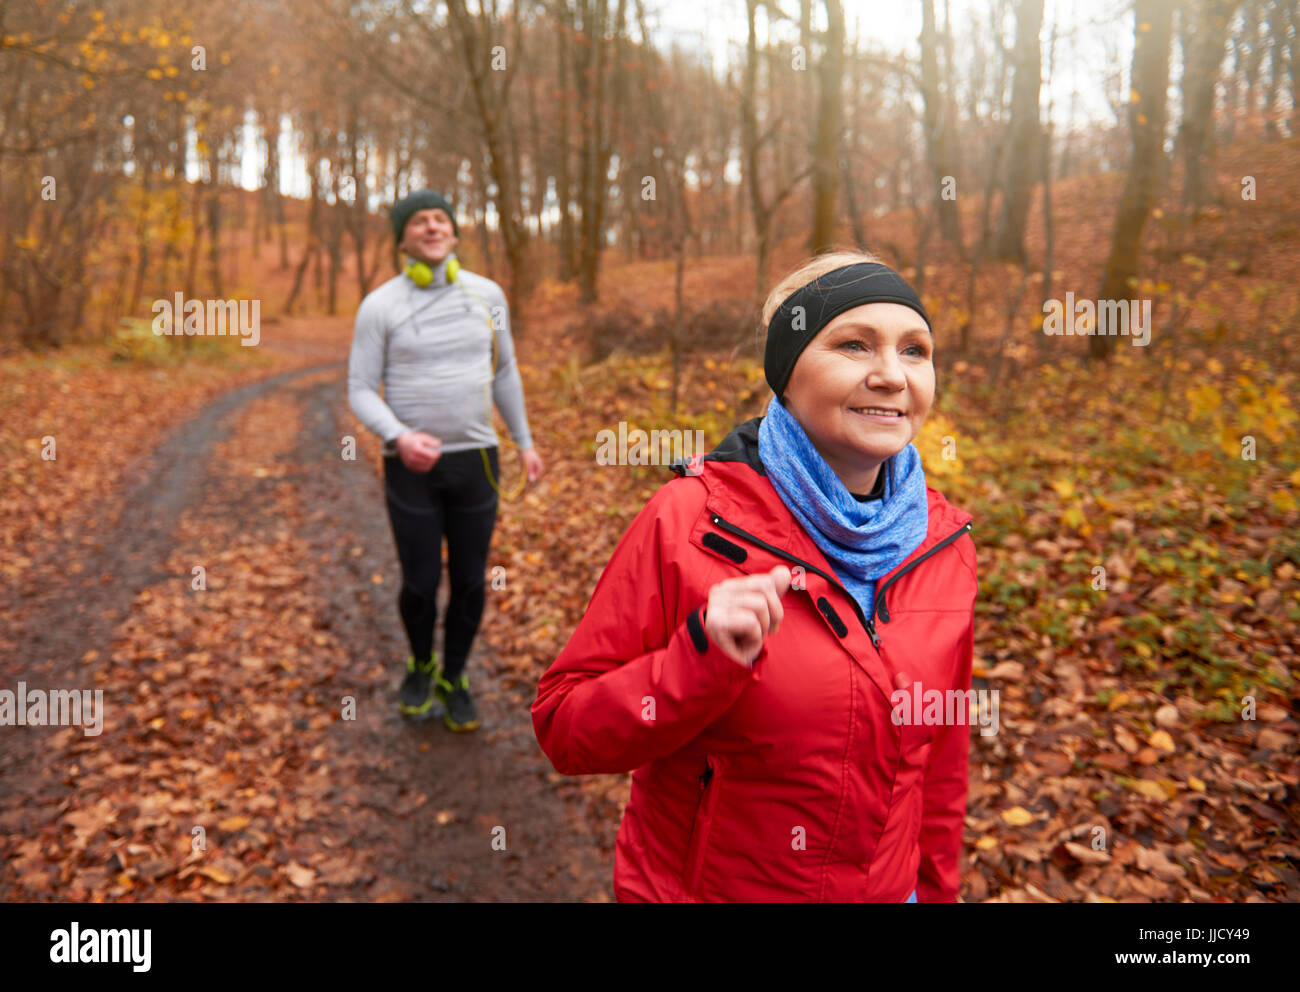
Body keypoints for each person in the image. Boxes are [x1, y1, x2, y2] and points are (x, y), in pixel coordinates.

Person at [531, 250, 977, 901]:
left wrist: (936, 891)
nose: (891, 375)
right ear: (786, 372)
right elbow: (566, 729)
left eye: (915, 350)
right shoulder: (690, 520)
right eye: (854, 345)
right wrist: (698, 661)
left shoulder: (945, 546)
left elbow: (941, 765)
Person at [348, 189, 543, 730]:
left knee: (472, 580)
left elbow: (505, 373)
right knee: (419, 579)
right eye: (419, 221)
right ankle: (420, 662)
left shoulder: (487, 295)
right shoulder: (380, 305)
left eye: (442, 219)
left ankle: (454, 675)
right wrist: (399, 436)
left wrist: (524, 441)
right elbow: (361, 388)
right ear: (402, 238)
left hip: (477, 461)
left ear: (454, 233)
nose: (432, 227)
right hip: (409, 468)